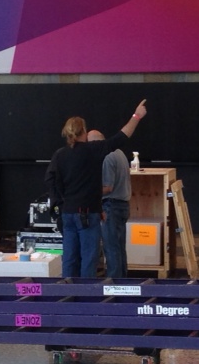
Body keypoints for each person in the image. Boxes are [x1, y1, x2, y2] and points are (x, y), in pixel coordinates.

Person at [45, 100, 147, 279]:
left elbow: (50, 180)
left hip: (67, 213)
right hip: (88, 213)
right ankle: (86, 296)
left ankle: (67, 294)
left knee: (69, 257)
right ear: (83, 131)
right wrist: (136, 115)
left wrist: (60, 203)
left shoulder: (59, 154)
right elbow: (122, 136)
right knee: (89, 257)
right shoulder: (93, 150)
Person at [98, 131, 133, 279]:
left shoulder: (107, 157)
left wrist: (87, 192)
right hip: (123, 205)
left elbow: (108, 187)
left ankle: (114, 284)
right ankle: (122, 281)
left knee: (111, 248)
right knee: (119, 247)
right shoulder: (120, 153)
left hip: (111, 206)